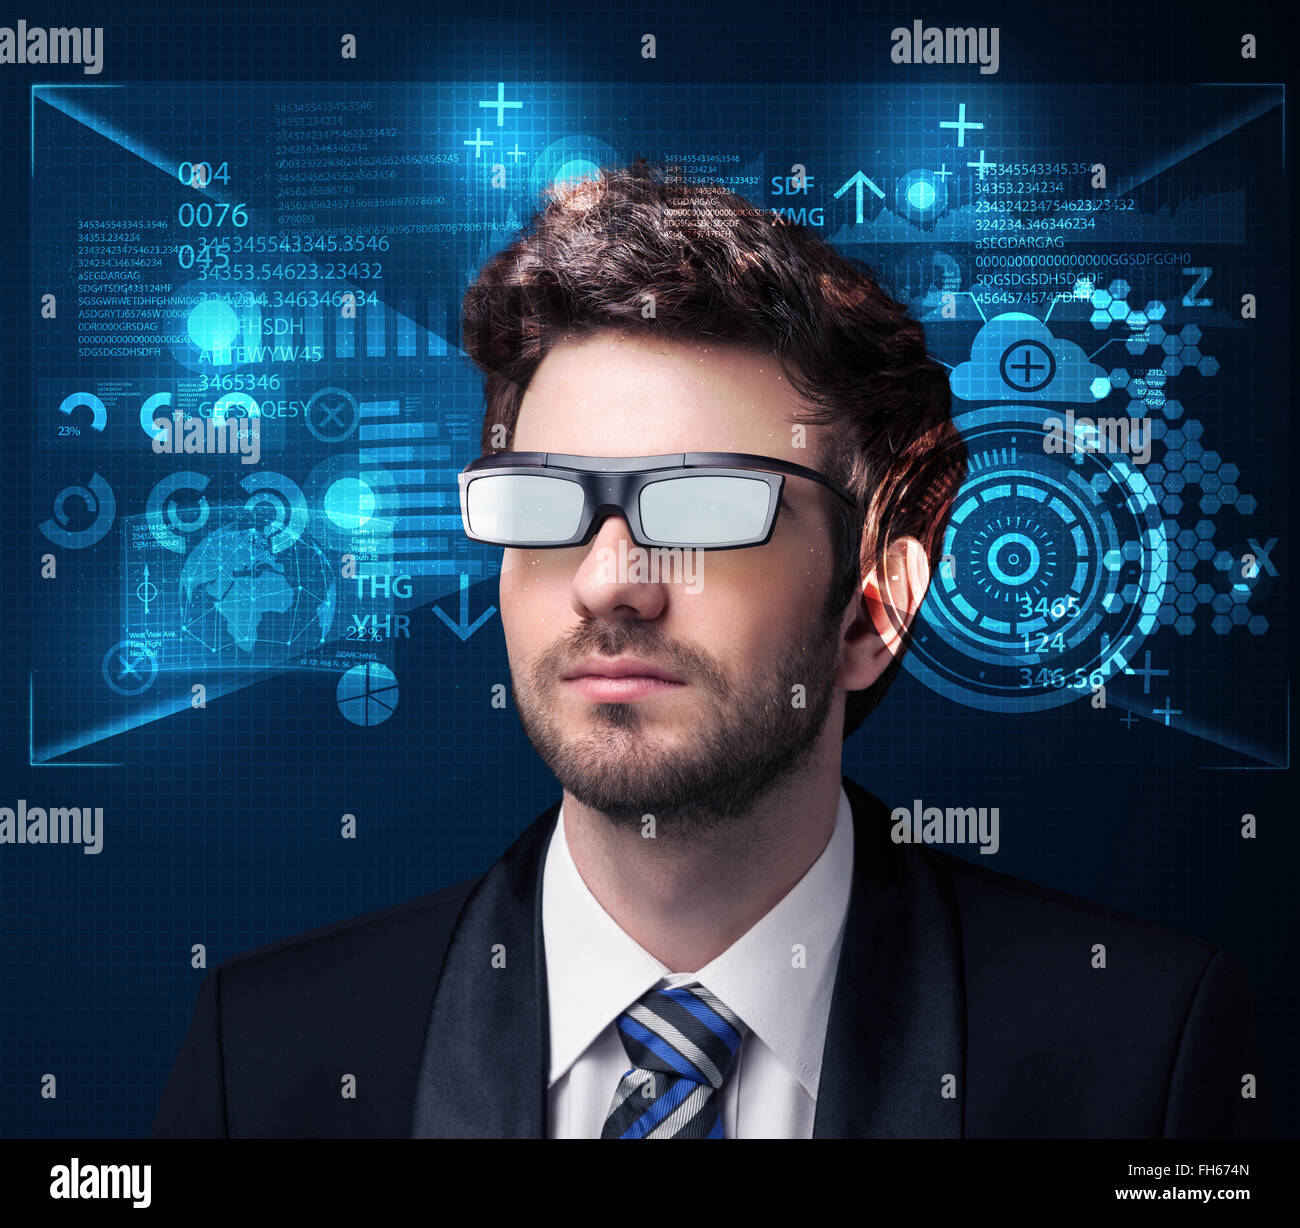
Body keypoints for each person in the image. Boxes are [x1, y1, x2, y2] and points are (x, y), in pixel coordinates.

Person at [152, 161, 1269, 1139]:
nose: (608, 581)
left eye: (701, 505)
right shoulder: (266, 1059)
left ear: (873, 610)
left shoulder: (1135, 1055)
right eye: (544, 501)